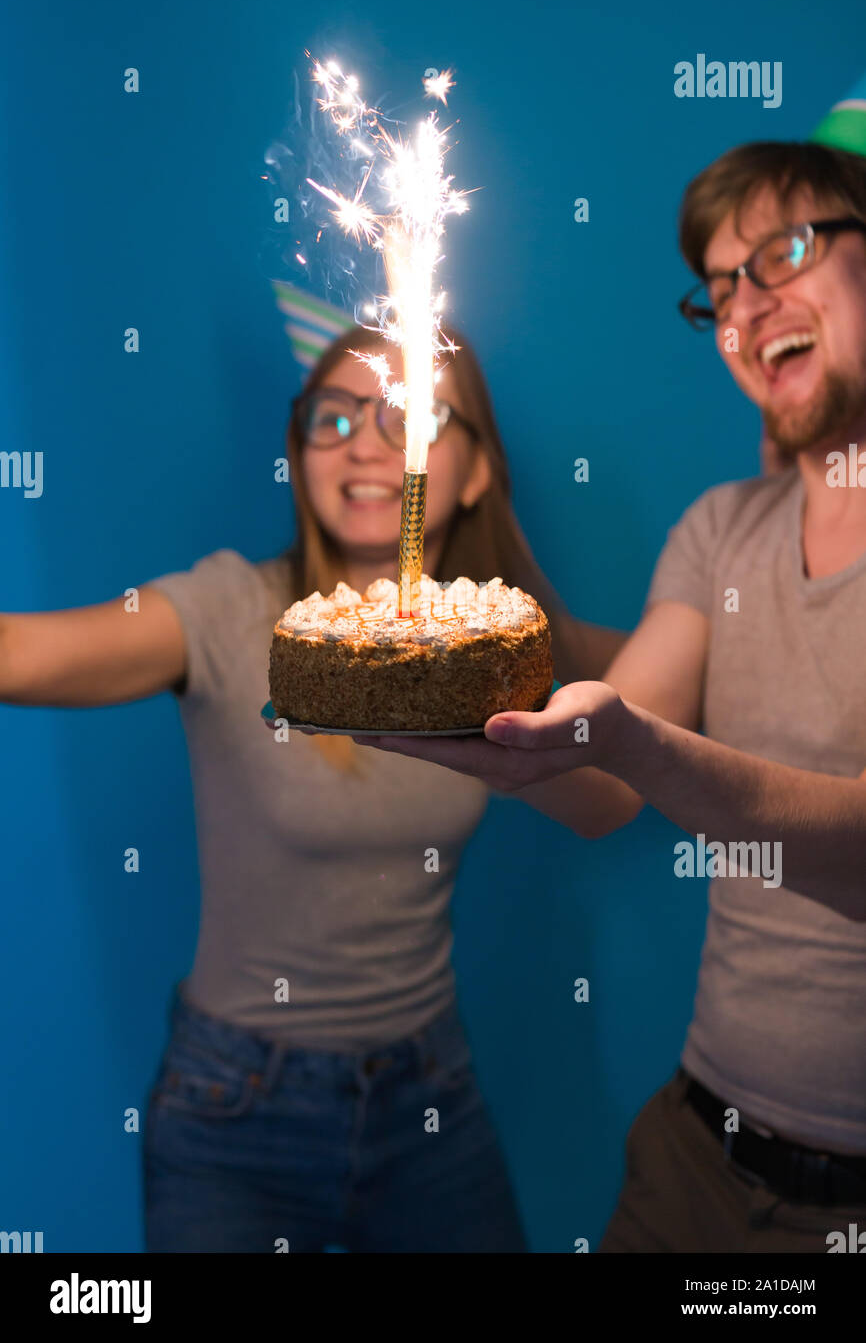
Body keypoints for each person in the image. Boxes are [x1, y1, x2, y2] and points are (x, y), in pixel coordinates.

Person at [0, 322, 623, 1253]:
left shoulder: (504, 643)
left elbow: (622, 783)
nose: (366, 441)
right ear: (298, 454)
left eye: (403, 415)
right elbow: (18, 653)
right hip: (235, 1104)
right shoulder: (229, 609)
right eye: (331, 418)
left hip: (430, 1096)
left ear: (478, 469)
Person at [356, 140, 866, 1251]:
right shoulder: (718, 531)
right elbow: (601, 784)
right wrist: (491, 728)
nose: (744, 302)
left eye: (782, 250)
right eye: (720, 285)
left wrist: (628, 743)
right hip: (694, 1161)